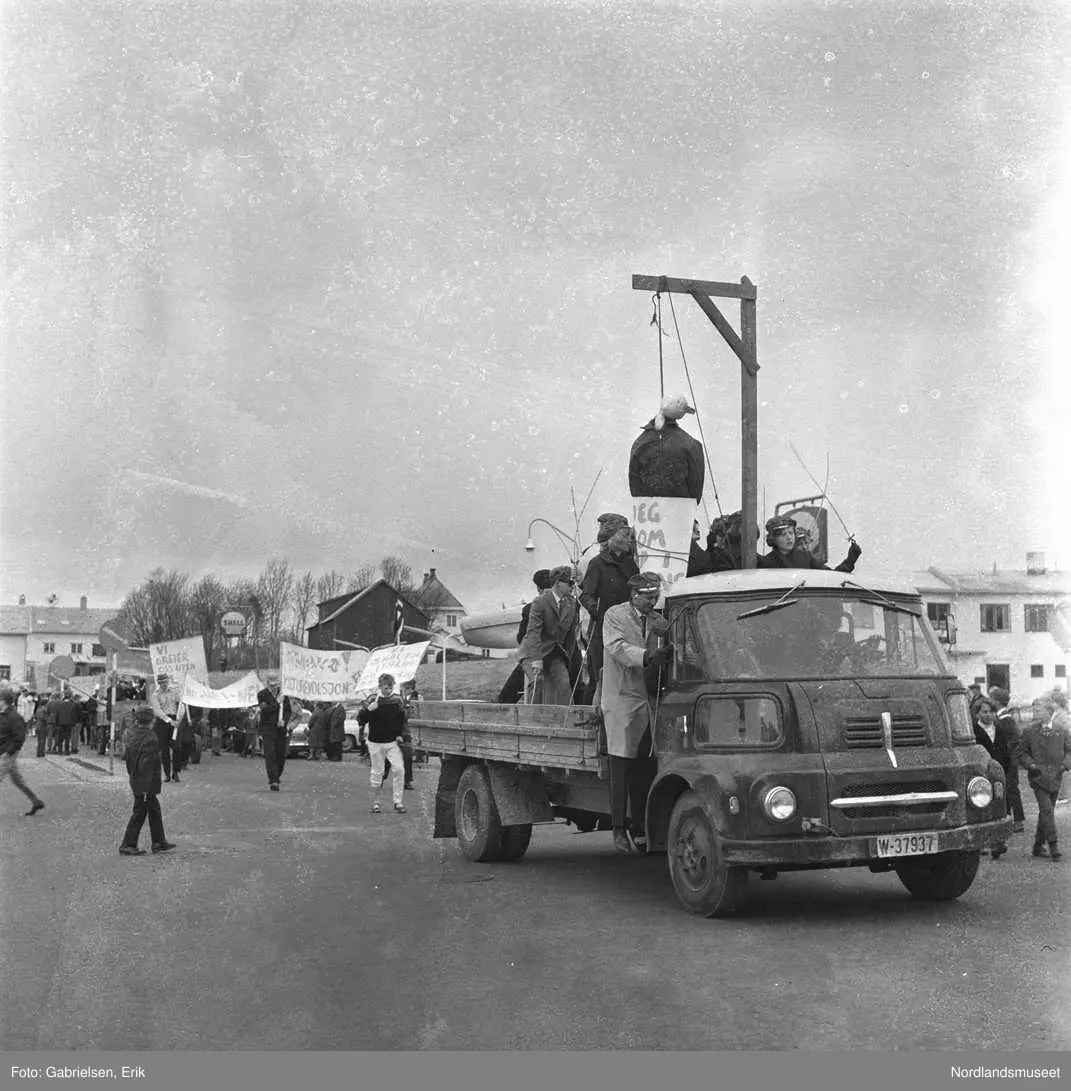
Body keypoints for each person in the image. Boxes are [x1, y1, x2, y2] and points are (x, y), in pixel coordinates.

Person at [600, 573, 673, 853]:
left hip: (647, 700)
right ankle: (618, 829)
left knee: (645, 767)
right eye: (648, 597)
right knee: (620, 767)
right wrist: (647, 656)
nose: (653, 602)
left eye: (655, 597)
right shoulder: (614, 615)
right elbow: (616, 647)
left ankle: (640, 827)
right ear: (634, 595)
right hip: (621, 698)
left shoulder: (656, 619)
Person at [579, 526, 640, 699]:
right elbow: (586, 595)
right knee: (602, 675)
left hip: (628, 627)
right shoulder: (597, 563)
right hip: (603, 629)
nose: (630, 539)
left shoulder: (631, 564)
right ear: (612, 539)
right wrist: (596, 611)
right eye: (625, 536)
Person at [1019, 692, 1071, 861]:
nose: (1035, 714)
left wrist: (1064, 765)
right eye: (1034, 711)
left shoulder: (1061, 730)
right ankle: (1053, 845)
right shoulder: (1029, 731)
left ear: (1049, 711)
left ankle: (1037, 845)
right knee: (1047, 809)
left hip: (1056, 777)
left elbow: (1069, 751)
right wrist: (1031, 764)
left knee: (1045, 812)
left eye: (1039, 711)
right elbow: (1021, 752)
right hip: (1038, 778)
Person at [518, 565, 580, 706]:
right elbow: (533, 632)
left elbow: (570, 636)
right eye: (570, 583)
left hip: (554, 652)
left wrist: (567, 658)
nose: (572, 586)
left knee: (563, 684)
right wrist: (536, 659)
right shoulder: (540, 602)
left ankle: (567, 718)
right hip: (532, 652)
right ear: (558, 583)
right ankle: (532, 720)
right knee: (537, 682)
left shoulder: (572, 603)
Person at [118, 706, 175, 856]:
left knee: (154, 809)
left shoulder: (131, 733)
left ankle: (159, 841)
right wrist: (145, 787)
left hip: (136, 778)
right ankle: (128, 844)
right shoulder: (150, 738)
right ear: (152, 720)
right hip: (145, 783)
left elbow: (126, 756)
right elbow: (146, 764)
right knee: (139, 812)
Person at [628, 394, 705, 501]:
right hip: (682, 513)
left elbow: (635, 488)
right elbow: (695, 491)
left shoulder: (639, 443)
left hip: (647, 513)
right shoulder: (692, 445)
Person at [496, 570, 552, 704]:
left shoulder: (530, 608)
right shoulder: (567, 604)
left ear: (538, 588)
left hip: (535, 655)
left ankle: (505, 706)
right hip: (555, 654)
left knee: (508, 694)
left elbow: (521, 637)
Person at [356, 673, 409, 814]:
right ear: (380, 686)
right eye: (385, 687)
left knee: (399, 769)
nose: (388, 690)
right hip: (375, 742)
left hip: (392, 741)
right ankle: (376, 801)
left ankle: (398, 802)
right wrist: (368, 710)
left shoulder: (397, 699)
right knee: (377, 771)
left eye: (390, 687)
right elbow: (361, 719)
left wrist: (401, 734)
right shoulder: (373, 699)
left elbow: (402, 719)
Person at [757, 515, 862, 572]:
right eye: (783, 534)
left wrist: (850, 560)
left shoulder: (806, 557)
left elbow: (831, 576)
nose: (789, 537)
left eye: (791, 533)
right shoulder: (767, 563)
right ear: (773, 539)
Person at [0, 685, 45, 816]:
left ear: (4, 701)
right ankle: (36, 801)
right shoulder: (2, 715)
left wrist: (8, 753)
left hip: (7, 753)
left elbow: (19, 738)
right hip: (3, 752)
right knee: (18, 780)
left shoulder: (14, 717)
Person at [987, 687, 1026, 835]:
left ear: (996, 701)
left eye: (991, 698)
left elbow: (1015, 739)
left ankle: (1018, 821)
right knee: (1006, 789)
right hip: (1005, 759)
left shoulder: (1006, 719)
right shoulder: (1000, 717)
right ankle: (1009, 818)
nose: (989, 701)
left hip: (1009, 760)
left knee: (1012, 790)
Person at [258, 685, 291, 791]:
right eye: (271, 684)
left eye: (275, 684)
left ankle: (277, 775)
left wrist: (284, 721)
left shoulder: (283, 695)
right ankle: (273, 780)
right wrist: (277, 702)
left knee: (281, 755)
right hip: (268, 729)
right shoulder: (262, 694)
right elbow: (265, 709)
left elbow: (288, 711)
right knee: (270, 754)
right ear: (267, 683)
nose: (273, 686)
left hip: (280, 730)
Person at [148, 674, 180, 782]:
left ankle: (175, 772)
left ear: (168, 681)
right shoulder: (155, 695)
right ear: (159, 683)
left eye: (165, 682)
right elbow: (157, 711)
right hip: (163, 722)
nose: (164, 684)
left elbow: (181, 705)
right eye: (162, 683)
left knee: (177, 747)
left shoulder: (175, 691)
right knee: (164, 750)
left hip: (175, 720)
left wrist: (179, 719)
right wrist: (169, 721)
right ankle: (167, 773)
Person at [56, 689, 80, 755]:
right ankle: (66, 750)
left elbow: (57, 714)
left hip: (60, 722)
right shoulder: (73, 704)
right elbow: (74, 715)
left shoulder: (60, 704)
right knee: (67, 737)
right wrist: (74, 723)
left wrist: (57, 722)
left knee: (60, 737)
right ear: (70, 696)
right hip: (69, 723)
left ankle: (60, 750)